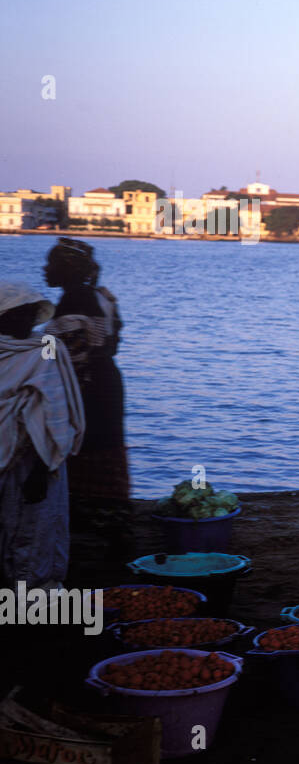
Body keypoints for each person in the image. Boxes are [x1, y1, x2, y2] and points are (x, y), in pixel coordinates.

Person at [41, 238, 133, 564]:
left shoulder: (72, 302)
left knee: (81, 449)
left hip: (85, 389)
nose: (44, 269)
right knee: (106, 451)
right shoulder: (101, 297)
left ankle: (94, 530)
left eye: (50, 264)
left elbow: (67, 355)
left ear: (66, 269)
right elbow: (111, 342)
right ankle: (114, 527)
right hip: (107, 382)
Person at [0, 281, 85, 589]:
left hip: (36, 457)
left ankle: (34, 591)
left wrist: (41, 466)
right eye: (17, 313)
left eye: (30, 313)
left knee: (35, 527)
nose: (25, 320)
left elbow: (54, 411)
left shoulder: (46, 349)